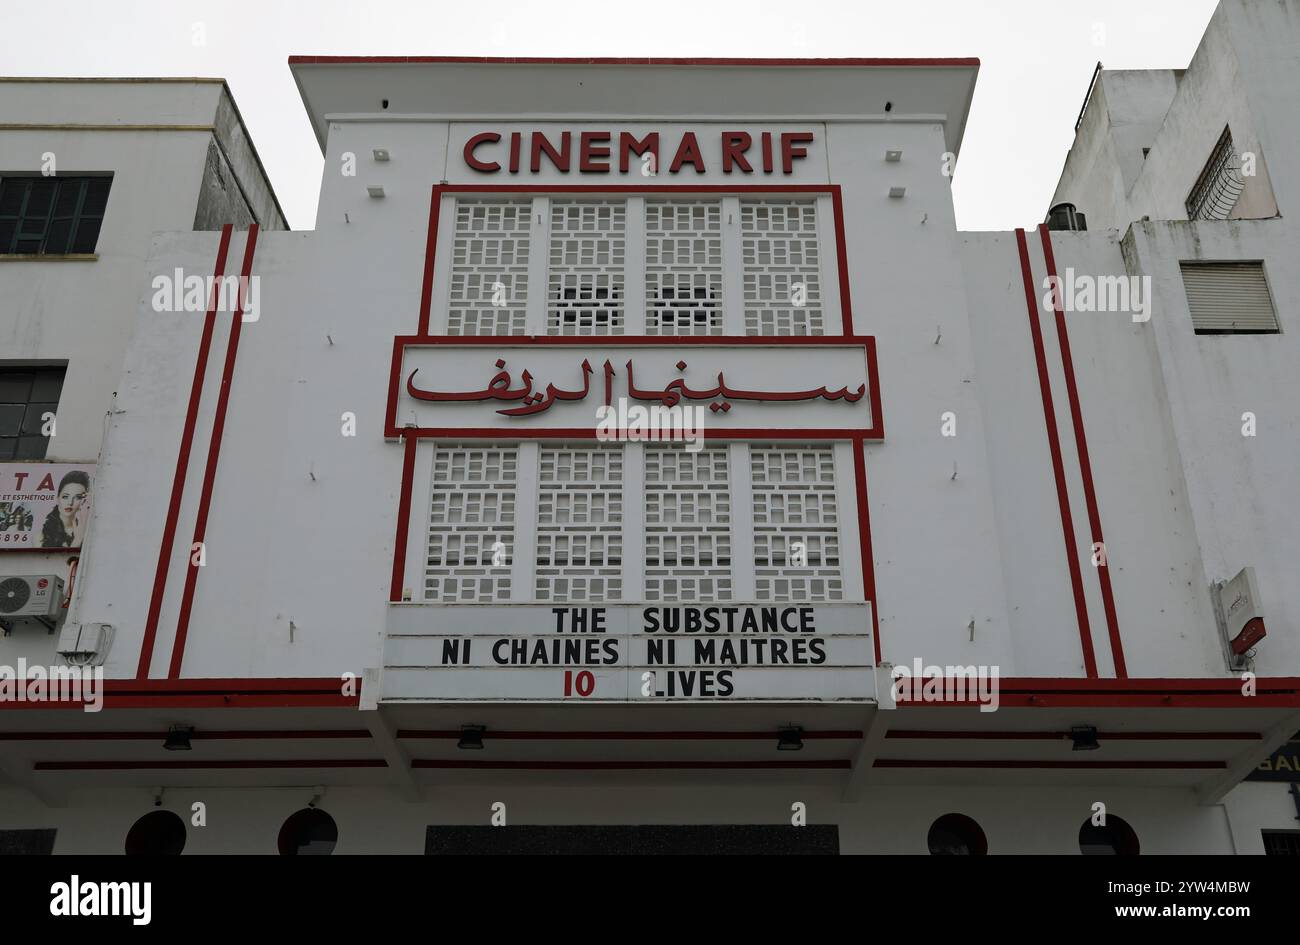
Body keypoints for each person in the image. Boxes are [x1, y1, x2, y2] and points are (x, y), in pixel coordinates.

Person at [41, 470, 91, 548]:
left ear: (84, 500)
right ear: (58, 498)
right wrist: (78, 540)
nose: (70, 503)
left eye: (78, 497)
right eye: (65, 497)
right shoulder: (41, 536)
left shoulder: (89, 532)